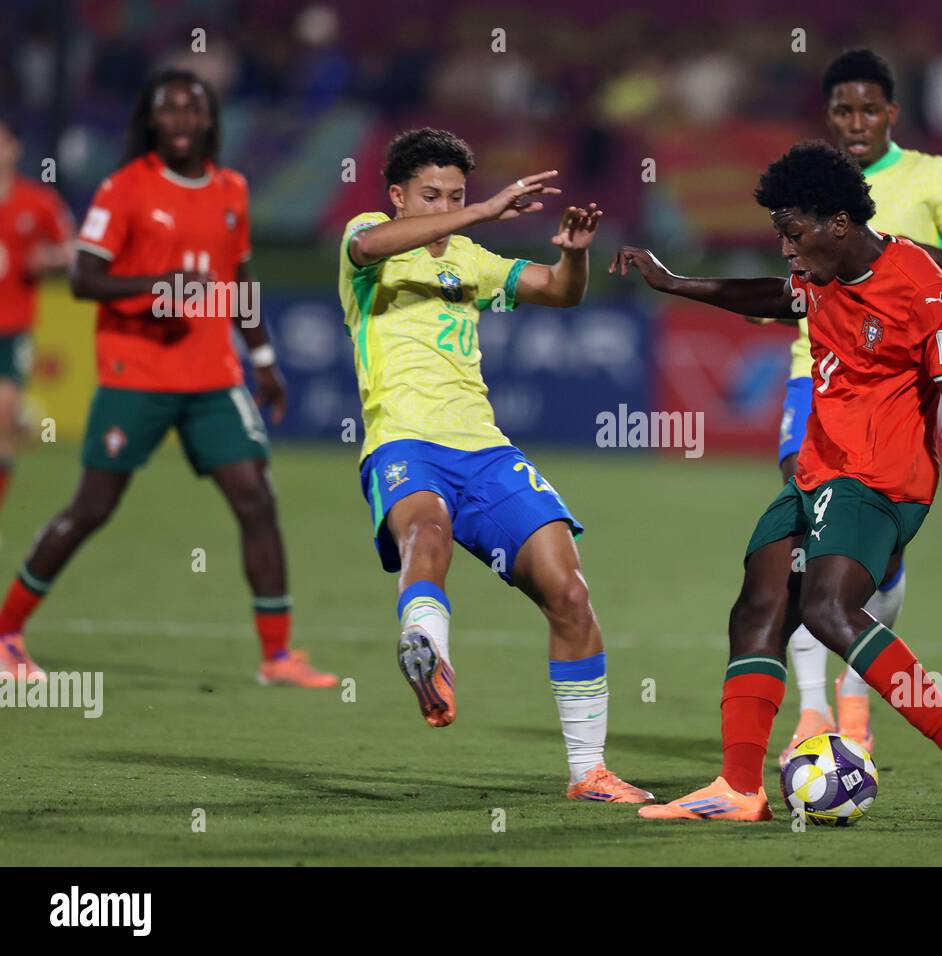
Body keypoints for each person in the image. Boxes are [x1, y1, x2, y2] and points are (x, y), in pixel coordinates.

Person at [611, 141, 942, 828]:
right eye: (780, 232)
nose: (786, 248)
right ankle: (740, 788)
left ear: (838, 222)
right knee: (757, 609)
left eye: (793, 231)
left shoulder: (921, 287)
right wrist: (676, 282)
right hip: (817, 473)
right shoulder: (820, 275)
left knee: (829, 611)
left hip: (882, 485)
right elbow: (778, 296)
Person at [338, 127, 651, 803]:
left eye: (456, 194)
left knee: (569, 593)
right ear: (397, 196)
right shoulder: (367, 240)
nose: (444, 205)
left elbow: (559, 293)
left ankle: (588, 772)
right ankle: (429, 652)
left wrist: (573, 258)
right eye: (429, 195)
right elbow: (367, 246)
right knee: (427, 533)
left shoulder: (473, 261)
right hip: (404, 442)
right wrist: (482, 211)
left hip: (486, 451)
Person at [0, 70, 337, 689]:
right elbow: (83, 278)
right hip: (138, 373)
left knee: (256, 499)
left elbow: (237, 279)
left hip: (214, 376)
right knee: (93, 507)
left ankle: (278, 655)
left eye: (193, 108)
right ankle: (6, 632)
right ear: (150, 121)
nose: (181, 119)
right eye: (168, 109)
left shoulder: (231, 188)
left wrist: (263, 360)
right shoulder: (125, 189)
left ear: (210, 120)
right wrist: (159, 289)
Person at [767, 49, 942, 763]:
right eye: (843, 110)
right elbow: (794, 283)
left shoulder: (932, 178)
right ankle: (813, 716)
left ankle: (855, 693)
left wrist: (915, 252)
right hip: (811, 377)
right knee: (806, 536)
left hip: (890, 392)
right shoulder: (807, 184)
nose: (857, 122)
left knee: (878, 554)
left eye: (869, 109)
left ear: (892, 113)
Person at [0, 114, 74, 525]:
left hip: (11, 329)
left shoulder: (38, 201)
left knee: (3, 414)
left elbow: (72, 248)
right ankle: (26, 422)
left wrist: (47, 258)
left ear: (14, 149)